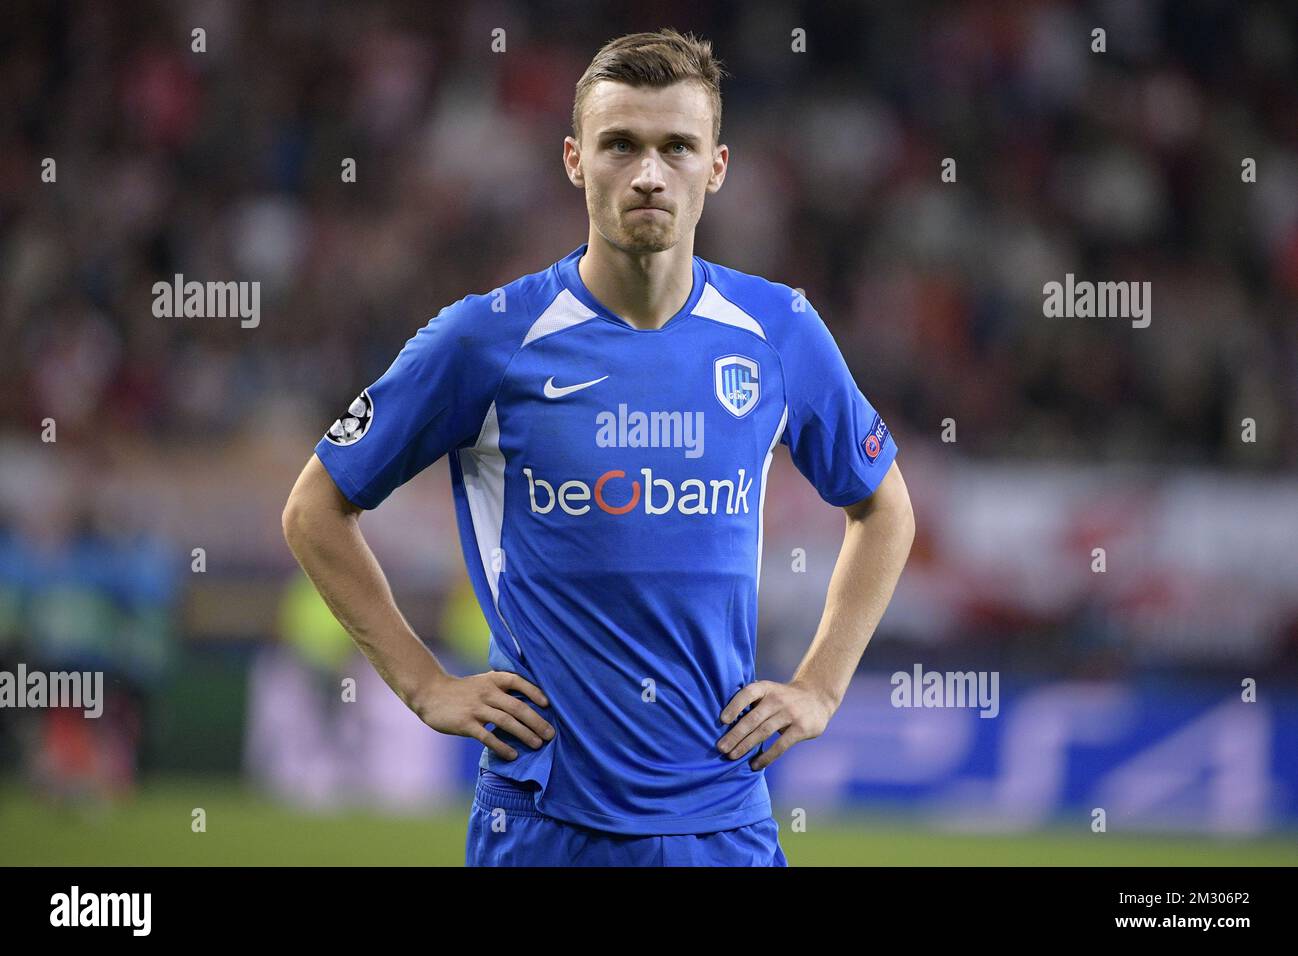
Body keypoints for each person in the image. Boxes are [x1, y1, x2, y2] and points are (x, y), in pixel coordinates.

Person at [282, 28, 915, 866]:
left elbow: (884, 506)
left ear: (716, 167)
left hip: (722, 817)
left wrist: (821, 687)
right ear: (576, 161)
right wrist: (424, 683)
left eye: (676, 147)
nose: (649, 173)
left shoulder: (777, 331)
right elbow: (315, 509)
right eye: (622, 145)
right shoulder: (488, 339)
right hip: (544, 820)